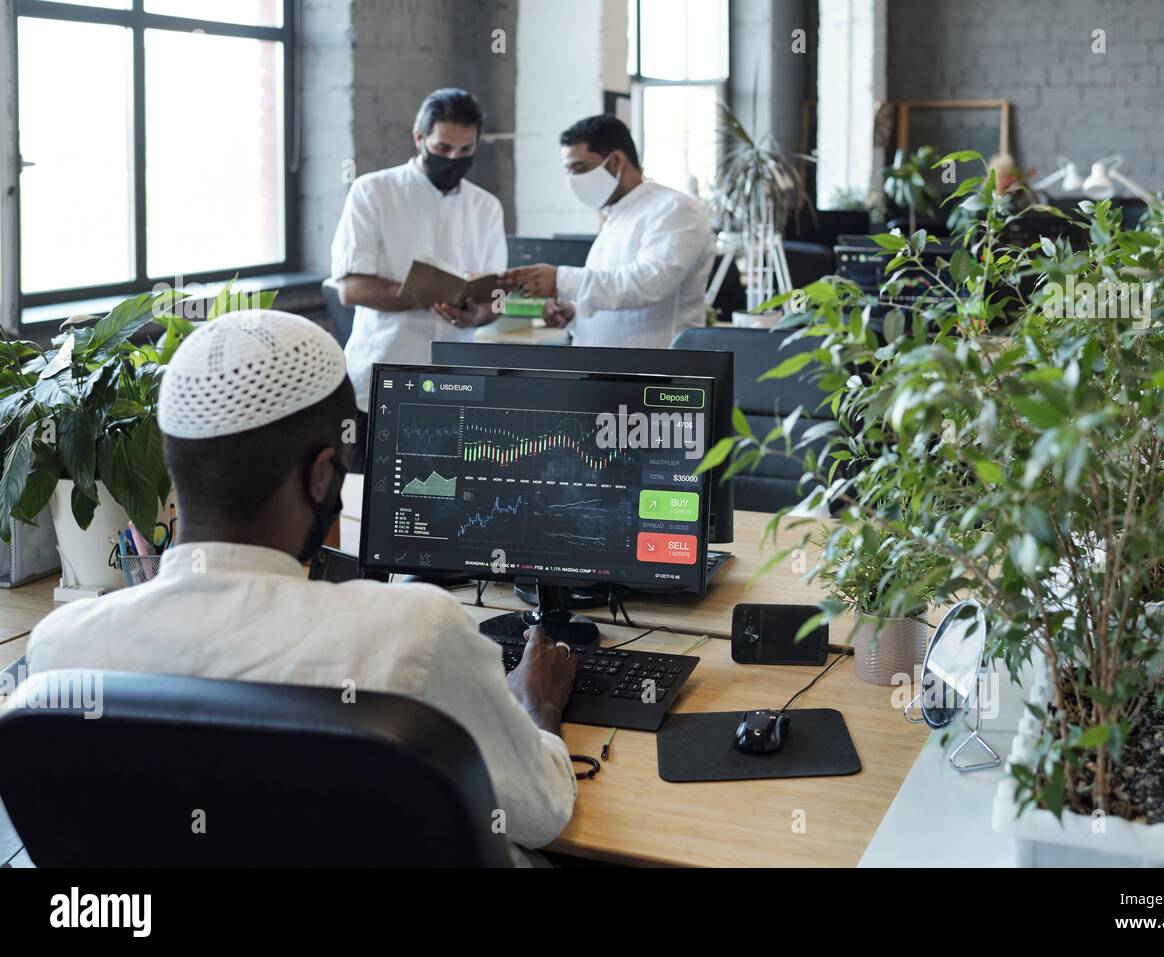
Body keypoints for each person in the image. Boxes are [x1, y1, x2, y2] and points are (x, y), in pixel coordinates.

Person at [25, 310, 578, 864]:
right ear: (321, 476)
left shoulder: (61, 653)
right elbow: (542, 813)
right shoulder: (416, 634)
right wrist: (537, 708)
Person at [331, 88, 506, 470]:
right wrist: (429, 295)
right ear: (419, 138)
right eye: (443, 148)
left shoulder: (486, 207)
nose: (454, 159)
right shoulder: (373, 192)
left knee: (444, 511)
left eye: (466, 151)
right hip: (378, 381)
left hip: (457, 385)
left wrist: (480, 315)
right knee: (363, 506)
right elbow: (350, 289)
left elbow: (497, 297)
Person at [500, 114, 714, 348]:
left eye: (579, 168)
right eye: (568, 170)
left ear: (616, 162)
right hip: (607, 370)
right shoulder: (616, 214)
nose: (572, 179)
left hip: (656, 373)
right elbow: (612, 296)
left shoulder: (673, 209)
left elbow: (648, 283)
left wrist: (560, 279)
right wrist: (573, 314)